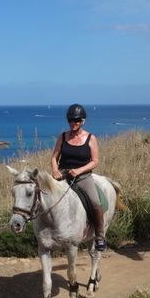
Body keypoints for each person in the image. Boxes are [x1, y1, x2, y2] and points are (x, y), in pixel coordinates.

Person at [51, 103, 107, 251]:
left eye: (76, 120)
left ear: (83, 121)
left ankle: (100, 236)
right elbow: (54, 158)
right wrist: (55, 171)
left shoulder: (90, 138)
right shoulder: (62, 137)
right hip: (63, 175)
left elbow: (95, 161)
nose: (73, 123)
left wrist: (79, 170)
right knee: (44, 195)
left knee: (95, 201)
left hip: (83, 177)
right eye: (70, 120)